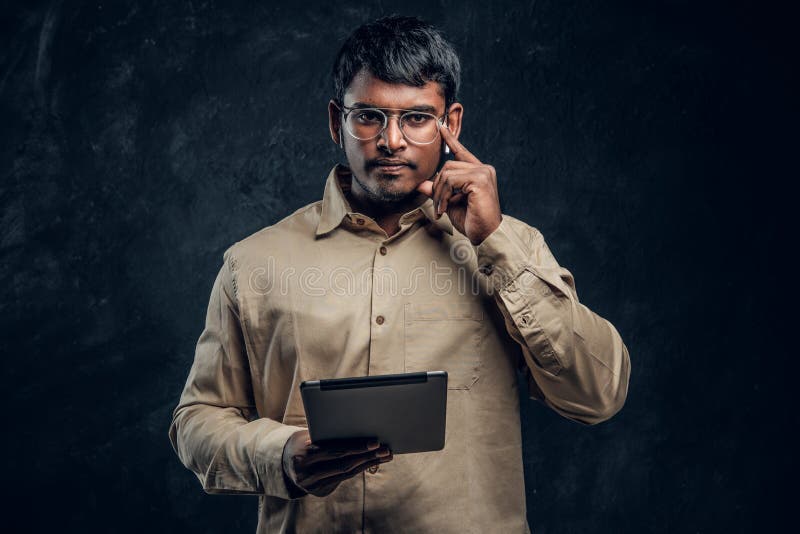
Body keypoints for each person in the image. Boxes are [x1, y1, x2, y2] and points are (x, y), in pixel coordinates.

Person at [168, 15, 631, 534]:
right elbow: (197, 420)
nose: (391, 140)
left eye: (416, 118)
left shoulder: (512, 246)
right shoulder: (253, 263)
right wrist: (279, 455)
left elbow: (599, 394)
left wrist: (494, 242)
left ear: (450, 125)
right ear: (334, 121)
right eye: (368, 116)